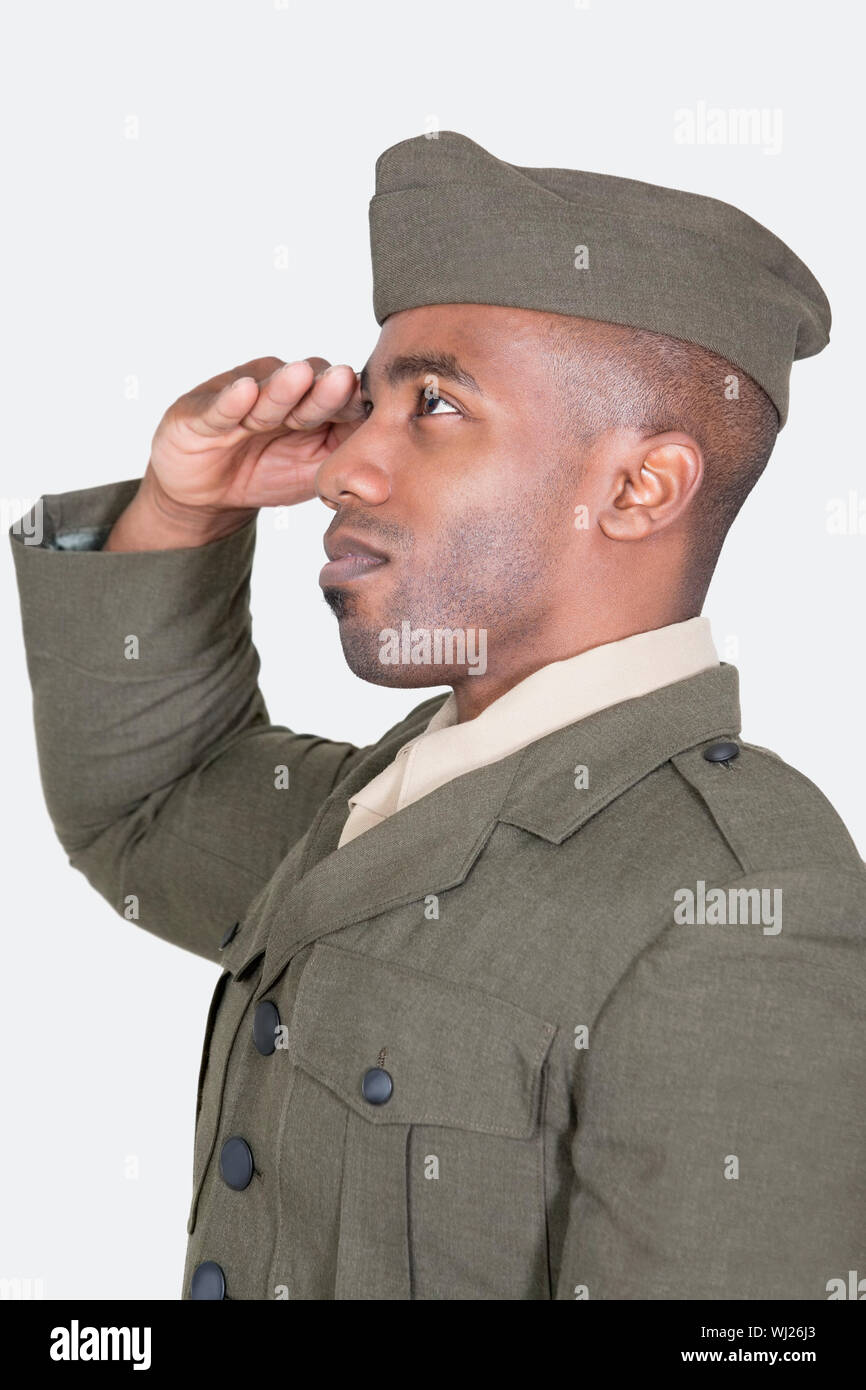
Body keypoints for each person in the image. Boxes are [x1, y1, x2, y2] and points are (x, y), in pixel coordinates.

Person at [10, 131, 865, 1300]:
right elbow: (146, 811)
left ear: (636, 487)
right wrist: (182, 510)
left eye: (434, 405)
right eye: (366, 404)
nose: (341, 466)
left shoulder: (732, 907)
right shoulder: (395, 796)